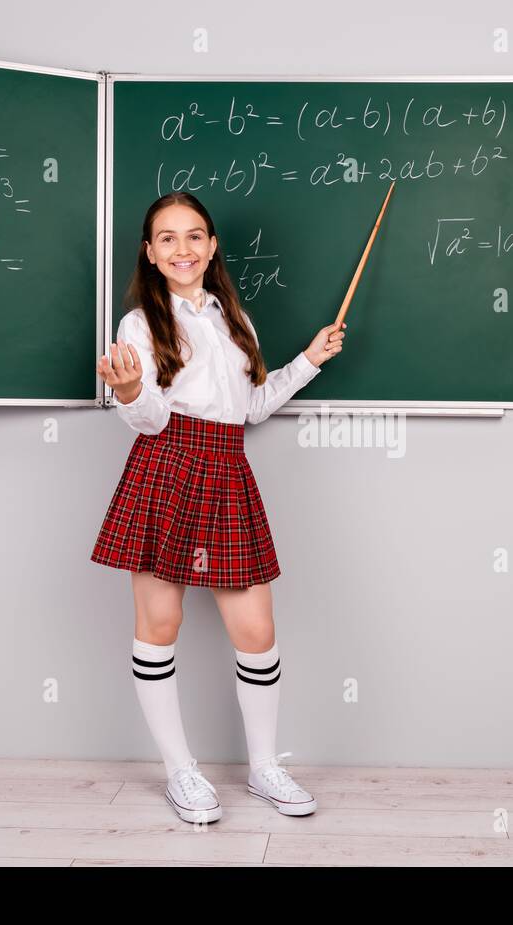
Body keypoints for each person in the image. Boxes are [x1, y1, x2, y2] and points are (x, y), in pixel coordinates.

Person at [91, 191, 345, 824]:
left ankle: (263, 769)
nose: (183, 248)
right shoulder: (138, 325)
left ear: (212, 246)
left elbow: (251, 408)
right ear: (149, 254)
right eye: (168, 238)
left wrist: (308, 361)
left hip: (227, 468)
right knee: (160, 629)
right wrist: (127, 392)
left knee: (256, 633)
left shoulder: (236, 318)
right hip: (166, 466)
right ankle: (181, 772)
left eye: (195, 235)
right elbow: (148, 421)